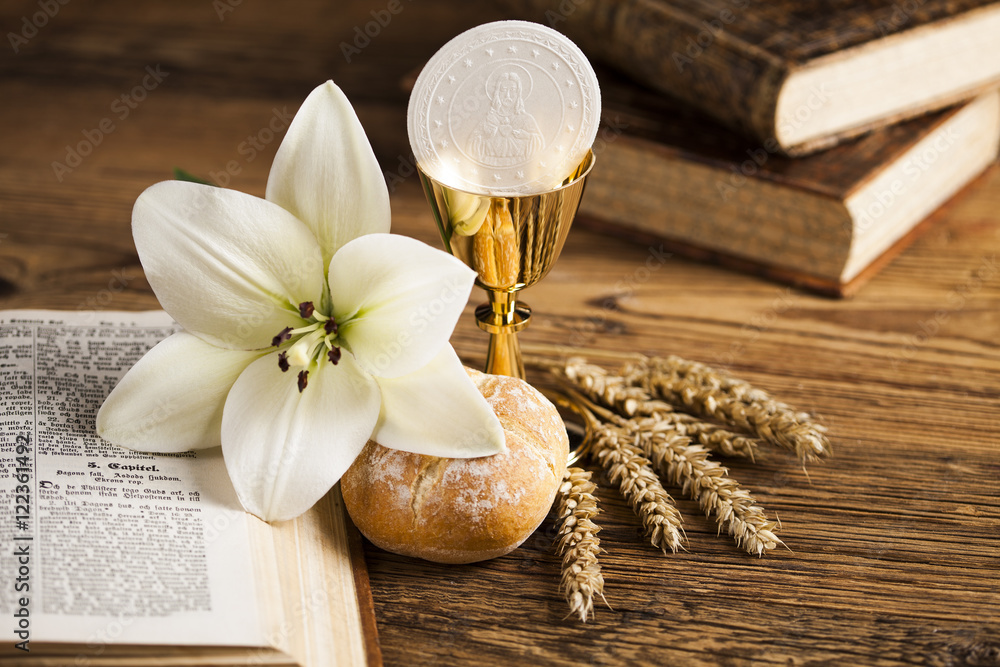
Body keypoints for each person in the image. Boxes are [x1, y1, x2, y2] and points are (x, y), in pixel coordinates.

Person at [470, 70, 544, 167]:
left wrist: (527, 136)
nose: (508, 95)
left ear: (518, 93)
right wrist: (486, 136)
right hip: (491, 164)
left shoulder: (526, 119)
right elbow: (472, 144)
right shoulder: (489, 119)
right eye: (503, 90)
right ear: (497, 93)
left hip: (521, 166)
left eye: (512, 90)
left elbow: (539, 144)